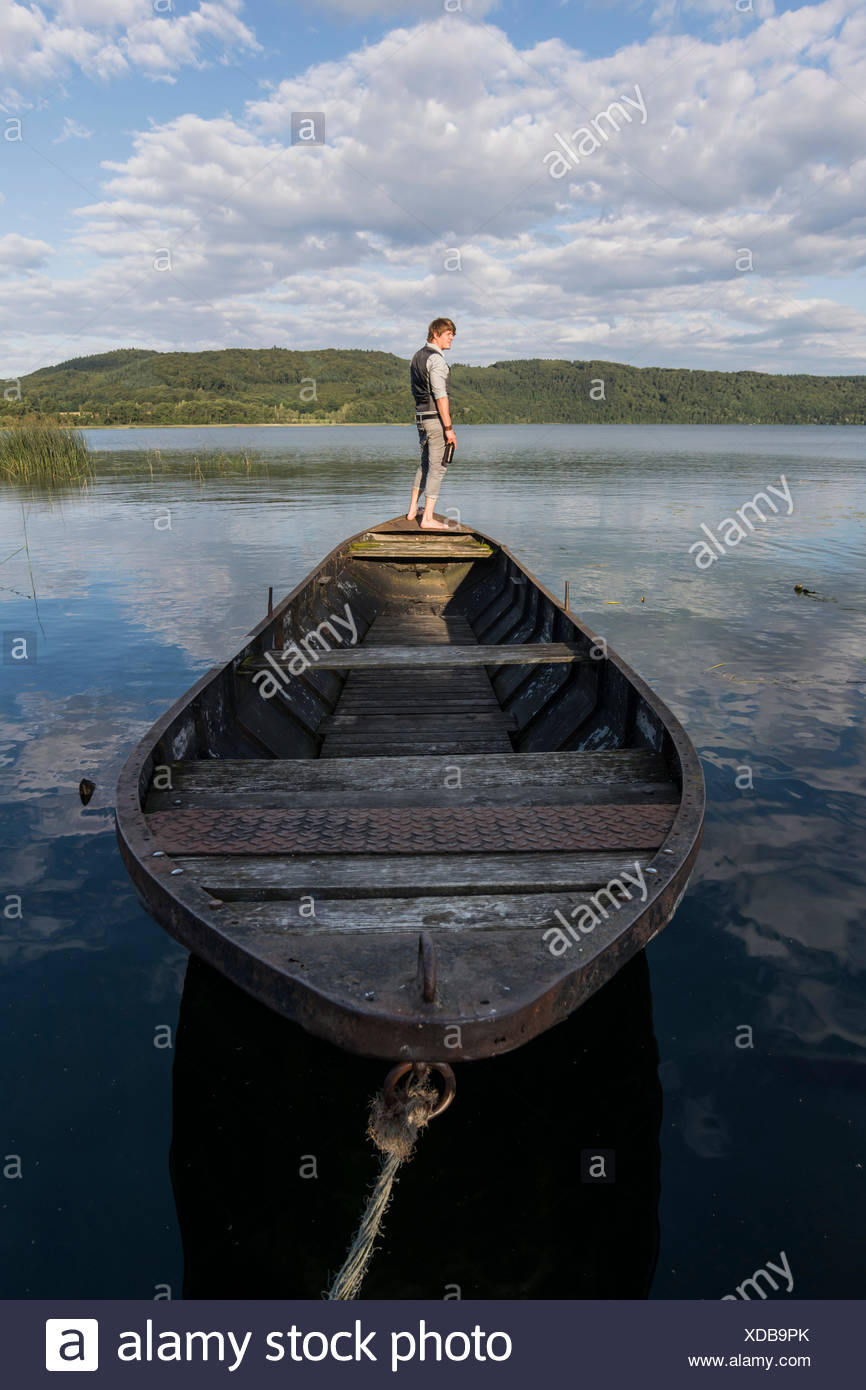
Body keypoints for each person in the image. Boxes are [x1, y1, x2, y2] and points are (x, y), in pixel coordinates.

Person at [406, 317, 457, 530]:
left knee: (425, 464)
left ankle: (412, 511)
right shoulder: (436, 359)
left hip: (420, 417)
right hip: (435, 420)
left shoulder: (416, 357)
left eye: (453, 335)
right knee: (438, 468)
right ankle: (427, 518)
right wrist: (449, 429)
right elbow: (440, 395)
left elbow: (415, 390)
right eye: (448, 334)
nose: (451, 339)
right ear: (435, 334)